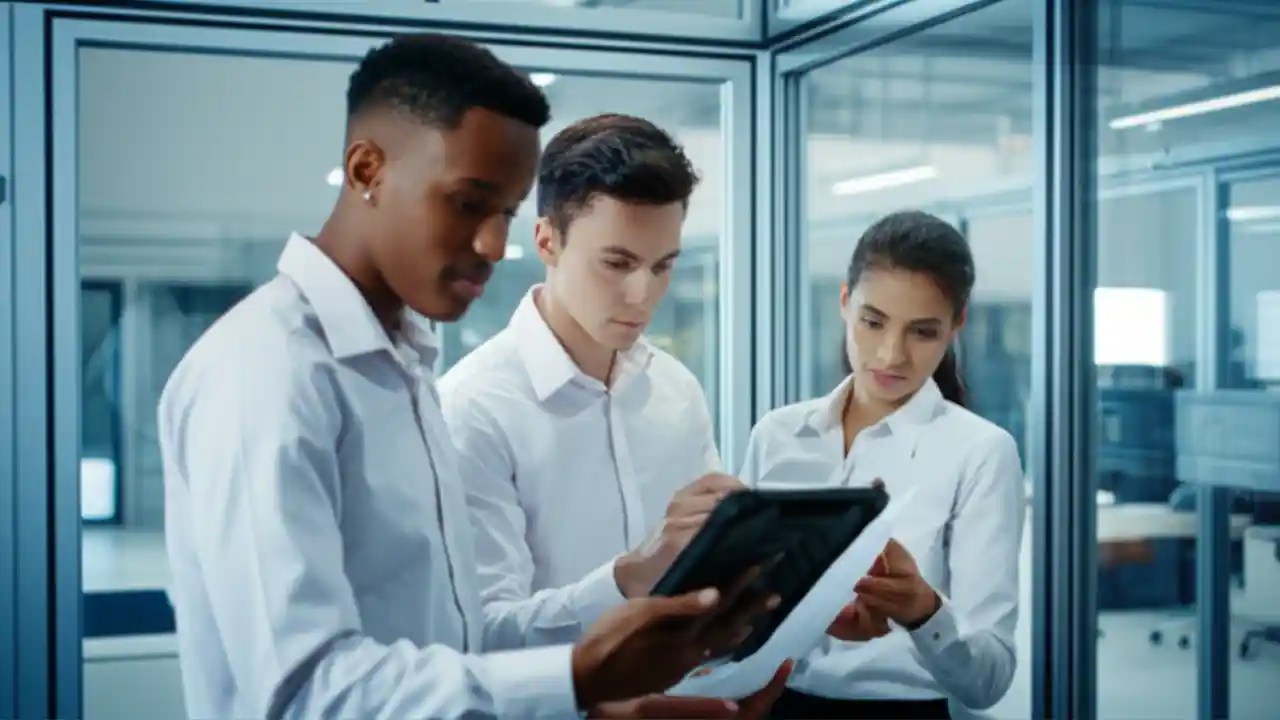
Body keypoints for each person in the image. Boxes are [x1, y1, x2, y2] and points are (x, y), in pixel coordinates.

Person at [158, 33, 783, 720]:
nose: (491, 244)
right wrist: (581, 677)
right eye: (465, 202)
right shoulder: (267, 373)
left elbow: (463, 646)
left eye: (505, 213)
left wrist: (611, 711)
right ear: (367, 169)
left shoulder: (403, 369)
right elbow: (307, 692)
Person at [437, 113, 737, 645]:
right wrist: (630, 576)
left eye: (662, 266)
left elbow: (705, 574)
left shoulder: (677, 391)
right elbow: (483, 635)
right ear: (546, 241)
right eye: (617, 263)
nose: (642, 295)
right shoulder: (471, 409)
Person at [739, 211, 1025, 719]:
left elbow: (989, 680)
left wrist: (924, 612)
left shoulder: (981, 451)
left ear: (955, 327)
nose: (891, 355)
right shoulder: (777, 434)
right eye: (873, 322)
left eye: (922, 332)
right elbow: (738, 610)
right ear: (845, 302)